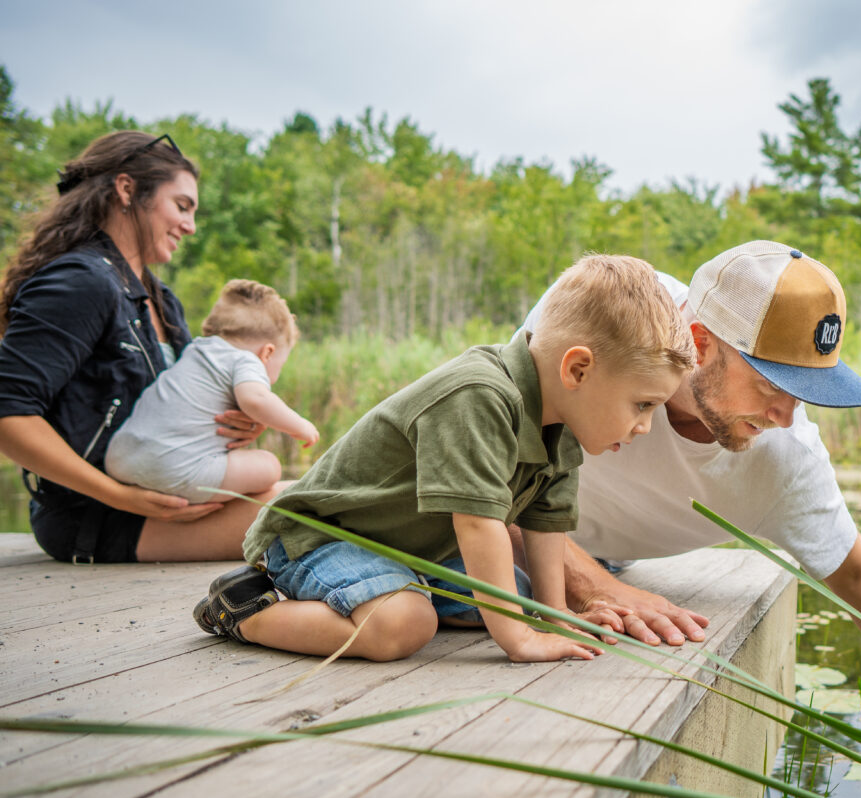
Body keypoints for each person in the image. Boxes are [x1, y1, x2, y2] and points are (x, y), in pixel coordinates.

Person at [538, 241, 861, 798]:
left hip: (593, 553)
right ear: (700, 343)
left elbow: (853, 572)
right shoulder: (605, 308)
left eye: (803, 394)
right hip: (483, 524)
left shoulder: (786, 456)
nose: (784, 416)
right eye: (772, 386)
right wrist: (594, 588)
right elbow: (484, 468)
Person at [193, 253, 693, 665]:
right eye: (642, 404)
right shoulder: (479, 395)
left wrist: (554, 613)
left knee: (512, 594)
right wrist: (519, 639)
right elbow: (479, 527)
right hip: (325, 536)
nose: (645, 426)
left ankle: (396, 591)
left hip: (410, 550)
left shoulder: (561, 424)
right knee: (404, 625)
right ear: (578, 369)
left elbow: (545, 523)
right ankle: (245, 611)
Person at [0, 130, 273, 564]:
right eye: (182, 206)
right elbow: (9, 414)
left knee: (315, 497)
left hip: (168, 495)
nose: (191, 225)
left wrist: (239, 419)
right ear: (127, 190)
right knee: (318, 513)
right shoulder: (82, 282)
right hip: (95, 517)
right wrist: (122, 496)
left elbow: (172, 411)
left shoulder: (161, 300)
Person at [106, 279, 318, 503]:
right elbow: (255, 400)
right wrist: (300, 425)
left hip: (120, 460)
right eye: (280, 366)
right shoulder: (246, 360)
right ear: (267, 353)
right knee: (269, 467)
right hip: (175, 470)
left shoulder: (196, 349)